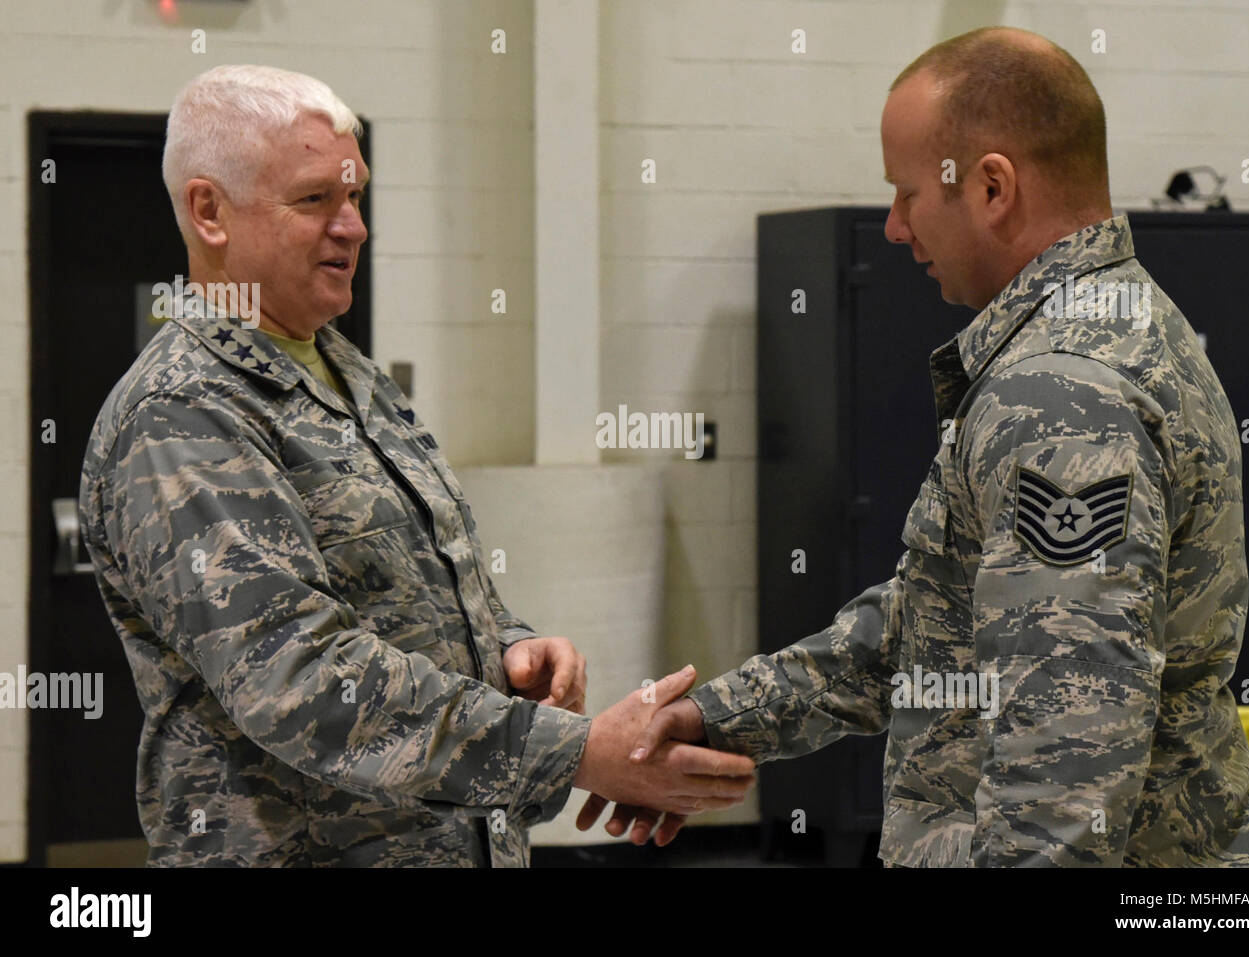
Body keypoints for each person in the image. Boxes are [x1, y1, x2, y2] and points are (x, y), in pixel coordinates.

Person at [583, 26, 1249, 866]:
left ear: (991, 187)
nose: (895, 227)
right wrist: (721, 717)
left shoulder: (1058, 393)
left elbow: (1067, 773)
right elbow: (928, 623)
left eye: (907, 194)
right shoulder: (1117, 328)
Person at [78, 64, 753, 867]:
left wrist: (511, 648)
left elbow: (418, 588)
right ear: (209, 211)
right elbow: (299, 676)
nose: (354, 226)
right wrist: (575, 751)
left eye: (355, 194)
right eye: (315, 199)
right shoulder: (182, 413)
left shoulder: (350, 373)